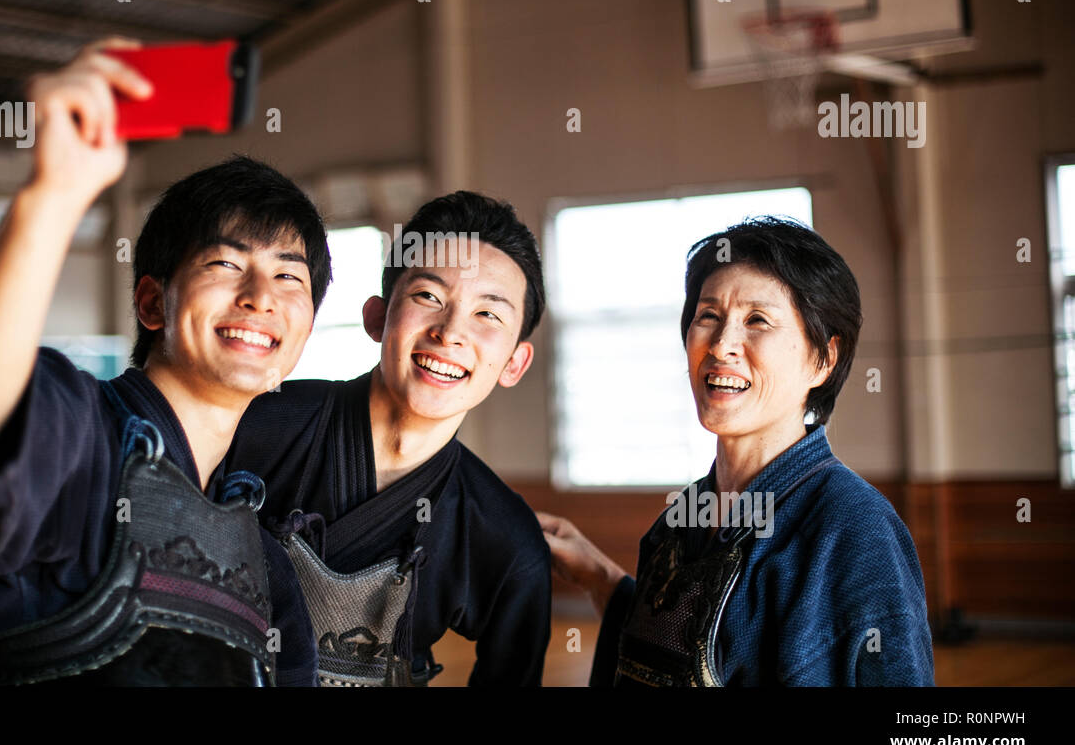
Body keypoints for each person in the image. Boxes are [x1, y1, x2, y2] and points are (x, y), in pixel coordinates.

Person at [0, 40, 331, 686]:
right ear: (152, 303)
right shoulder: (83, 444)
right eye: (225, 264)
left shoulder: (265, 560)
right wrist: (55, 194)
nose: (260, 298)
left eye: (288, 278)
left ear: (307, 328)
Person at [540, 217, 934, 686]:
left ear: (823, 359)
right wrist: (601, 579)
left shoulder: (854, 529)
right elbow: (668, 651)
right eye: (708, 317)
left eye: (757, 321)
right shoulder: (679, 519)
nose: (722, 345)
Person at [223, 192, 552, 686]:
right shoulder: (252, 425)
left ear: (515, 363)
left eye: (489, 315)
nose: (450, 333)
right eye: (428, 297)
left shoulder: (506, 538)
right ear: (377, 317)